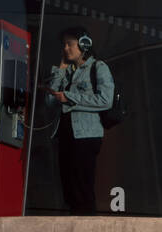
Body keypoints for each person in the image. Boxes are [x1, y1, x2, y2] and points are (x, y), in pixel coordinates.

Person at [44, 27, 114, 215]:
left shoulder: (97, 67)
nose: (66, 48)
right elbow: (50, 102)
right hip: (66, 135)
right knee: (69, 186)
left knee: (83, 184)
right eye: (64, 45)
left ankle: (86, 223)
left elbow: (105, 100)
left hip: (86, 135)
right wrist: (60, 70)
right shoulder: (66, 73)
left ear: (83, 45)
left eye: (70, 44)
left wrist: (69, 97)